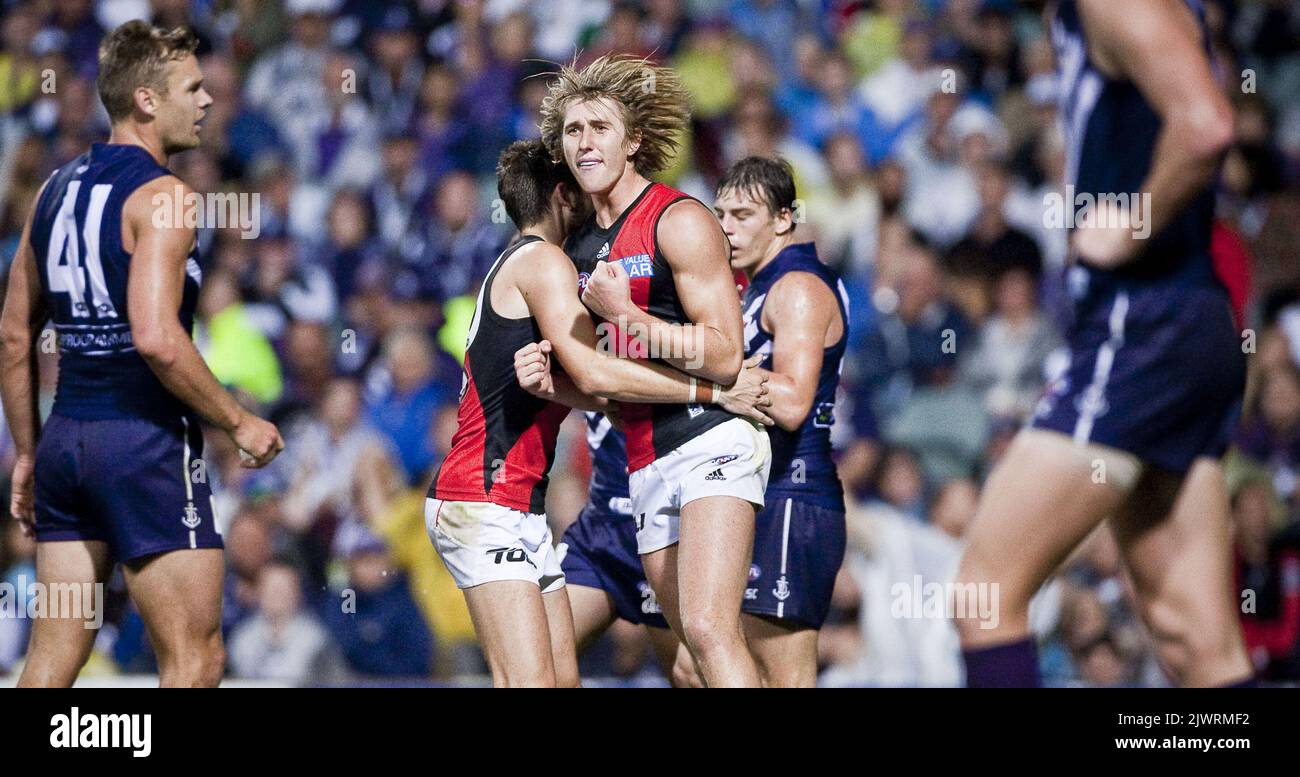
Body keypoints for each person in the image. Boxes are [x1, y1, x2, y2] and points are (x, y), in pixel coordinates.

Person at [952, 0, 1253, 687]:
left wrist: (1135, 225)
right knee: (1195, 642)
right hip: (1183, 326)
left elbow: (1206, 125)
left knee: (985, 591)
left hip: (1143, 324)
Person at [0, 21, 283, 688]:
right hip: (143, 445)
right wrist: (238, 420)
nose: (208, 100)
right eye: (193, 87)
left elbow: (14, 335)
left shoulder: (52, 192)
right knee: (195, 657)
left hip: (66, 445)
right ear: (147, 101)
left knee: (50, 658)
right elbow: (156, 336)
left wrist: (29, 453)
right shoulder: (166, 198)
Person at [427, 140, 770, 687]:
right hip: (483, 497)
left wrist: (557, 386)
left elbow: (598, 390)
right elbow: (598, 372)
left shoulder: (516, 262)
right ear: (564, 194)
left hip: (517, 504)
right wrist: (713, 393)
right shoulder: (545, 262)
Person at [537, 54, 773, 687]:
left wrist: (627, 317)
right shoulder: (579, 247)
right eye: (572, 130)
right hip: (641, 460)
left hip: (708, 442)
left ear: (633, 141)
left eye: (599, 127)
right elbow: (604, 383)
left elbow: (726, 353)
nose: (584, 142)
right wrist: (554, 378)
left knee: (707, 629)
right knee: (690, 663)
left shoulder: (680, 219)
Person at [716, 156, 850, 686]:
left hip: (793, 496)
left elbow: (792, 402)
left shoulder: (794, 288)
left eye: (744, 215)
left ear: (783, 219)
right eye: (721, 214)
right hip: (764, 493)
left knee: (784, 675)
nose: (726, 228)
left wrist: (707, 387)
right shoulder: (762, 285)